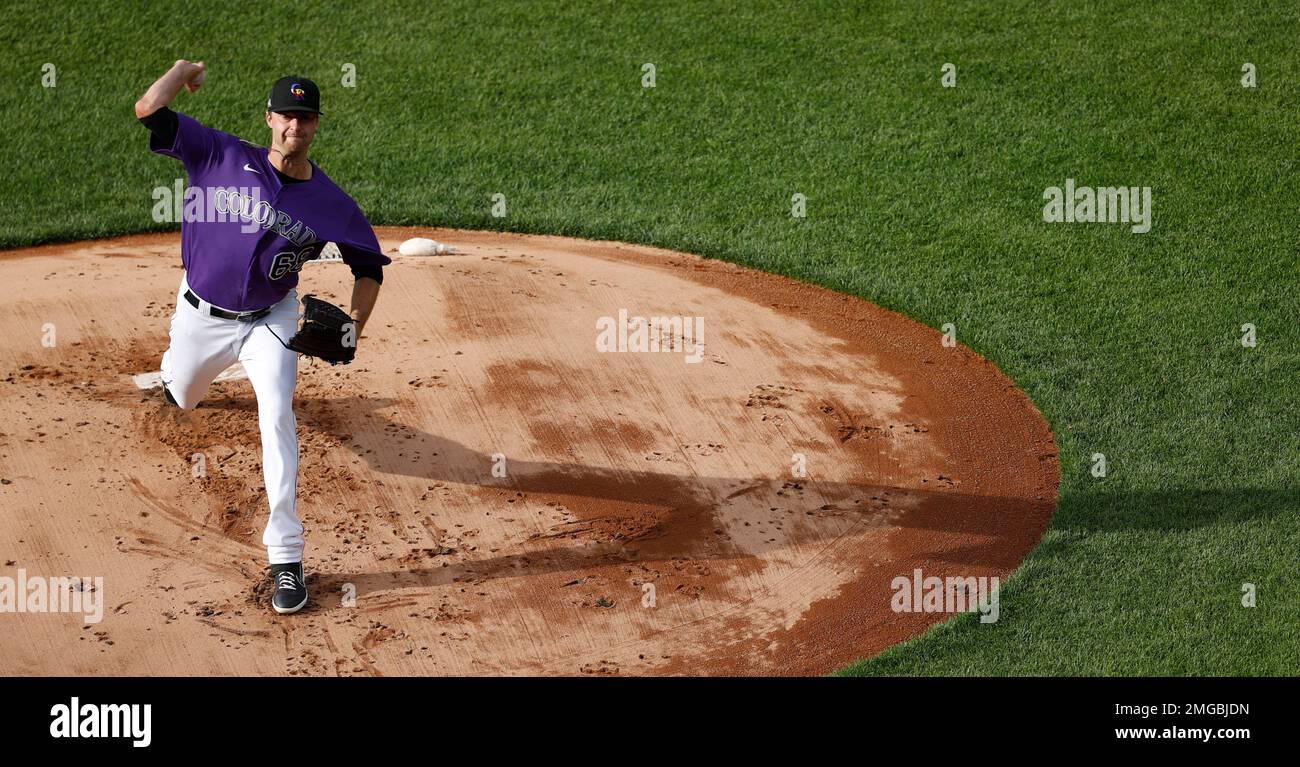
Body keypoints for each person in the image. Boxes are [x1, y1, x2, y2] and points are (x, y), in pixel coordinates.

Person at [134, 60, 390, 614]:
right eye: (287, 116)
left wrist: (352, 326)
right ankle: (178, 376)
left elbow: (370, 266)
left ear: (316, 125)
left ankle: (286, 561)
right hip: (201, 315)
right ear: (270, 119)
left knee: (276, 415)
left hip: (271, 319)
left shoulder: (332, 204)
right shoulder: (219, 153)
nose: (296, 126)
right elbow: (148, 110)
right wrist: (182, 71)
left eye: (306, 117)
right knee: (181, 394)